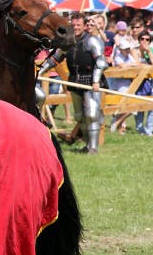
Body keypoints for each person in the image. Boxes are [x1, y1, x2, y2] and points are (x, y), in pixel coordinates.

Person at [40, 12, 108, 154]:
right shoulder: (69, 41)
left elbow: (101, 62)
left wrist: (95, 81)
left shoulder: (92, 40)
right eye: (74, 24)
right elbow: (55, 59)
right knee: (79, 116)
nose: (76, 27)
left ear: (84, 26)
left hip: (91, 81)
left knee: (91, 113)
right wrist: (40, 71)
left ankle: (93, 147)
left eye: (79, 25)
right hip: (75, 81)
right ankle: (87, 145)